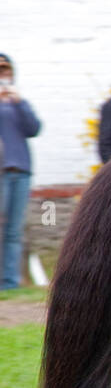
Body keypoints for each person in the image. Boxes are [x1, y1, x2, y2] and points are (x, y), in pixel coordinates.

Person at [0, 53, 41, 290]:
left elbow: (34, 128)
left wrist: (19, 101)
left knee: (14, 231)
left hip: (21, 171)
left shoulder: (19, 103)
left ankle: (9, 282)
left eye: (6, 70)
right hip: (1, 171)